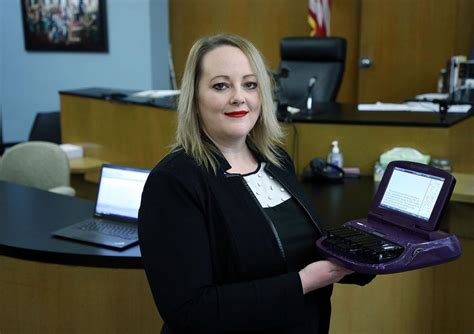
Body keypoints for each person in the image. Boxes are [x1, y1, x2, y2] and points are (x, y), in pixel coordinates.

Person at [138, 34, 374, 334]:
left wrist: (368, 254)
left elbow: (295, 250)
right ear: (194, 99)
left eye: (250, 84)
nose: (239, 97)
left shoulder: (275, 160)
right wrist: (305, 282)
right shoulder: (174, 182)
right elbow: (190, 310)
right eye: (221, 85)